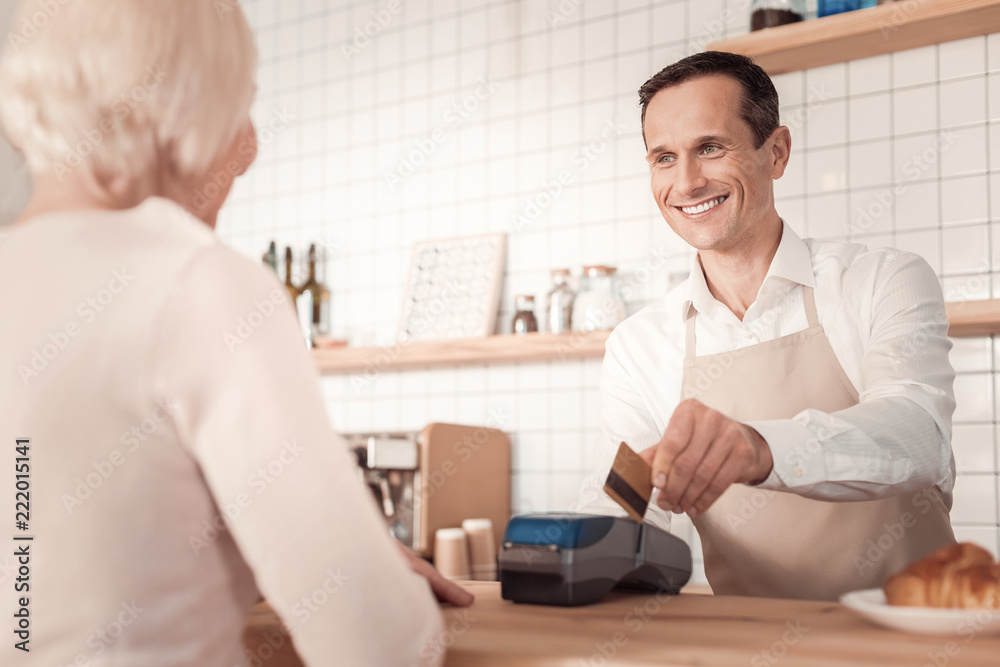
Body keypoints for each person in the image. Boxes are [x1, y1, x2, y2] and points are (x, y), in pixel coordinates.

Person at [0, 1, 470, 665]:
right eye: (238, 105)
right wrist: (360, 577)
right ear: (182, 104)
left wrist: (244, 550)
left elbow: (40, 572)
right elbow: (379, 644)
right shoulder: (195, 279)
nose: (249, 146)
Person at [578, 51, 956, 601]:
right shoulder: (639, 345)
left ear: (775, 152)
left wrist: (760, 449)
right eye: (663, 157)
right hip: (749, 645)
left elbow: (920, 435)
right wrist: (578, 549)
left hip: (911, 638)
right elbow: (630, 503)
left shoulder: (881, 280)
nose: (685, 182)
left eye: (709, 148)